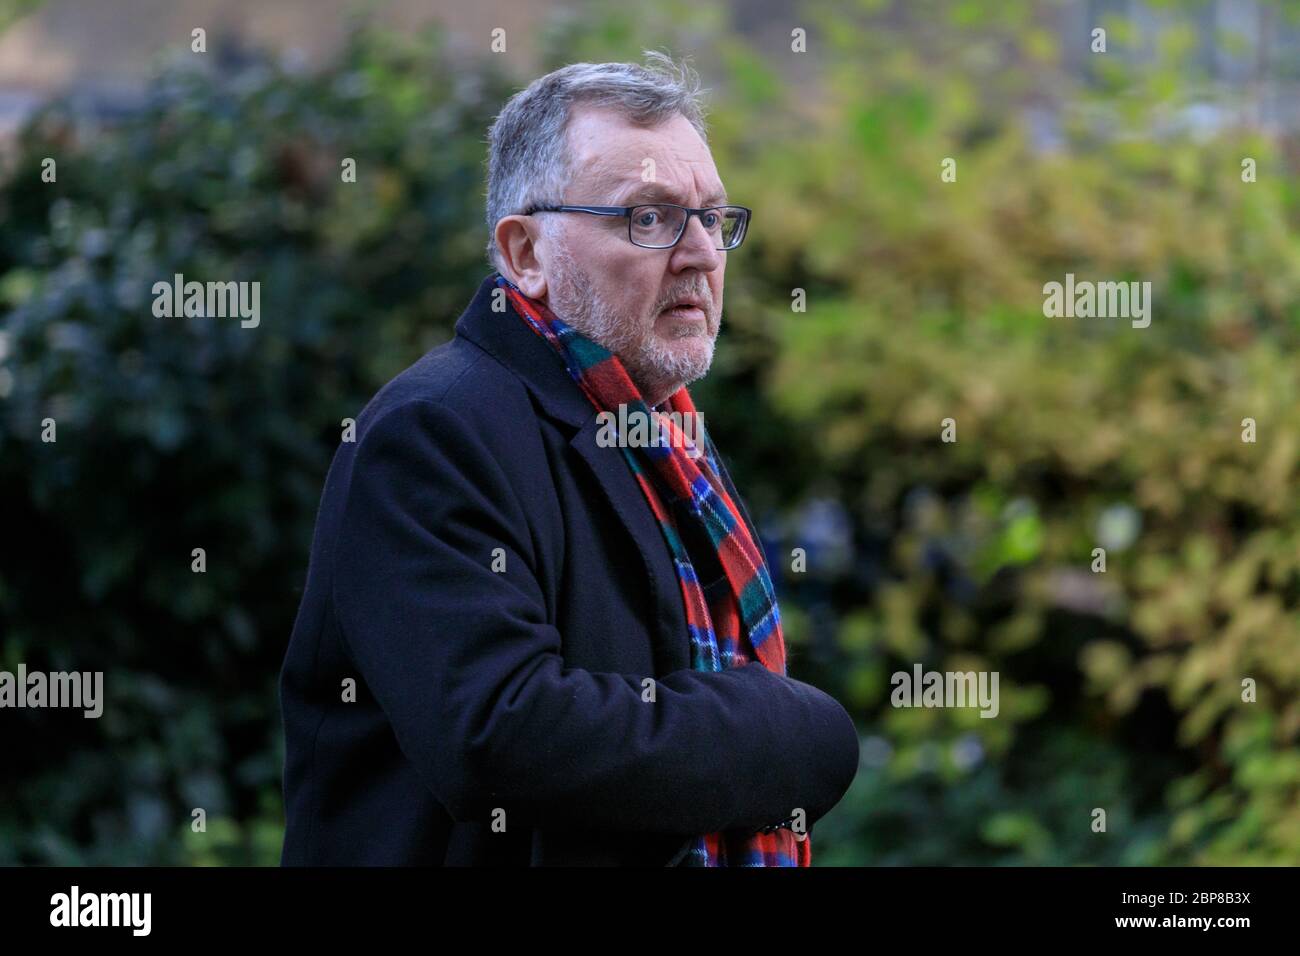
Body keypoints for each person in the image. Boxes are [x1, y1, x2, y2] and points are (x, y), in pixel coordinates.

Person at [278, 53, 859, 867]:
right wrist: (791, 732)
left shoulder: (666, 432)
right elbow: (501, 733)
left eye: (713, 217)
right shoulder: (433, 431)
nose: (700, 254)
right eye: (649, 218)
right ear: (525, 254)